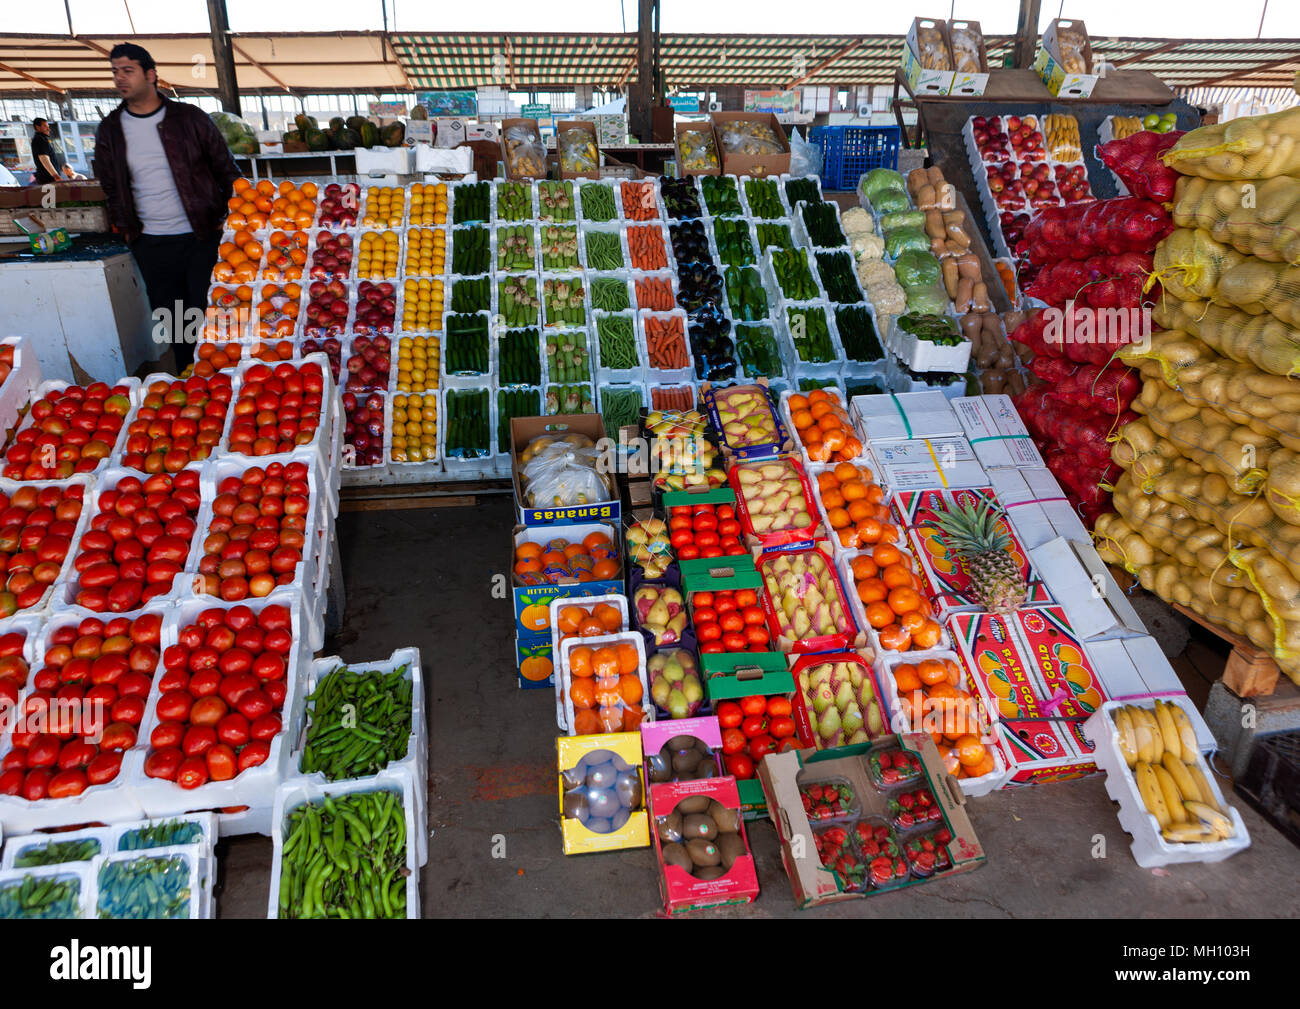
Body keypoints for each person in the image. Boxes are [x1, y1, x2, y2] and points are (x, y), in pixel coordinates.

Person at [93, 42, 241, 370]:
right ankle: (190, 376)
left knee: (215, 310)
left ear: (150, 75)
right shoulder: (111, 131)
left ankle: (229, 376)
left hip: (203, 235)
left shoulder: (189, 119)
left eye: (127, 70)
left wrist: (230, 219)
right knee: (173, 318)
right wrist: (130, 233)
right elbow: (110, 187)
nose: (119, 78)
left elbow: (227, 170)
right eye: (115, 71)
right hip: (151, 242)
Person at [30, 118, 75, 186]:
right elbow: (44, 159)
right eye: (45, 126)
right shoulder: (40, 140)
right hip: (48, 179)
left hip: (47, 179)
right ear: (37, 127)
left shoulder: (39, 139)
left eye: (48, 126)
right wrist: (56, 176)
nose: (48, 129)